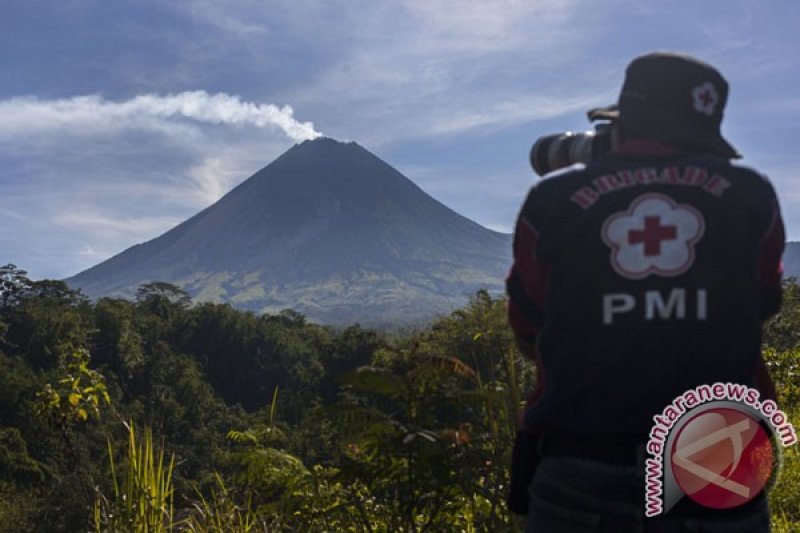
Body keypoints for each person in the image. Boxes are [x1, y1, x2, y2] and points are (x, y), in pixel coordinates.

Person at [506, 52, 785, 532]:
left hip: (581, 462)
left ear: (623, 123)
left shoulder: (551, 201)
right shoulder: (751, 194)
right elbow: (760, 305)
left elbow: (528, 324)